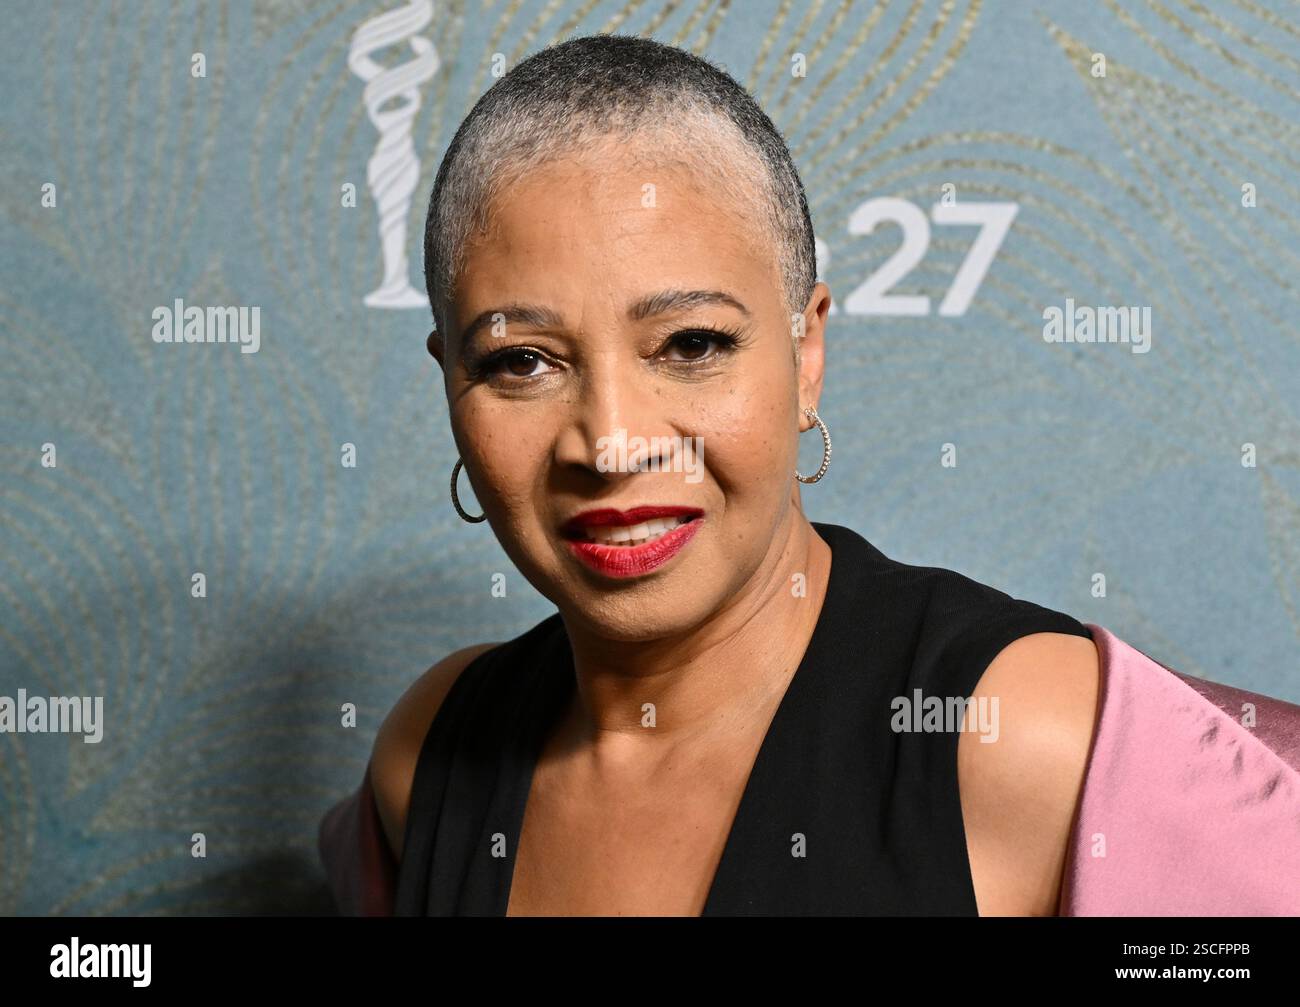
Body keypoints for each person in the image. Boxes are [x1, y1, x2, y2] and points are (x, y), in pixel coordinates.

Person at [319, 33, 1300, 917]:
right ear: (451, 379)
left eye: (690, 343)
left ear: (807, 353)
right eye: (520, 362)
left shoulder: (1019, 734)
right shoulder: (430, 753)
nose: (612, 443)